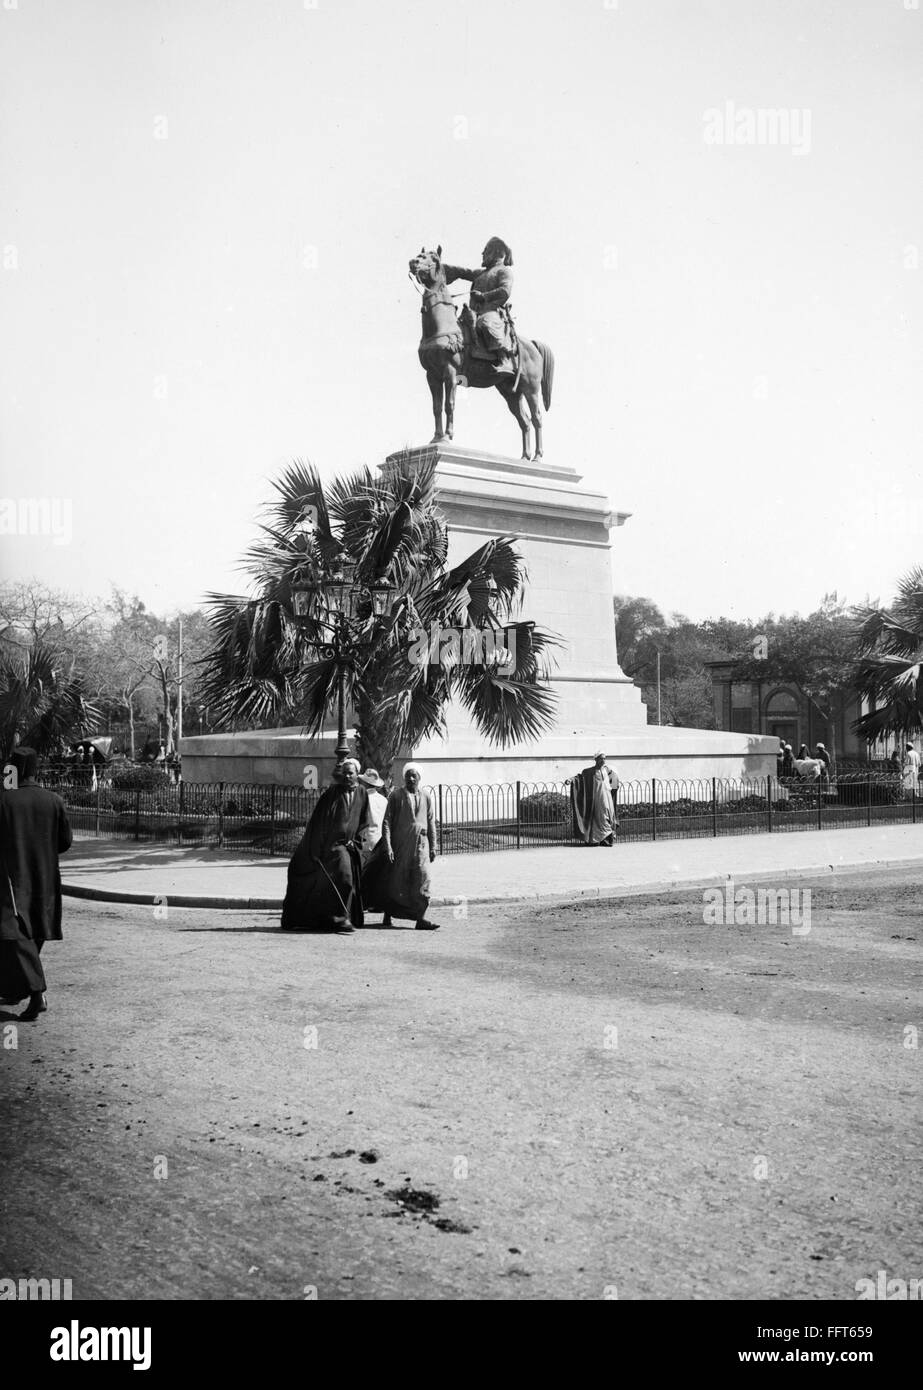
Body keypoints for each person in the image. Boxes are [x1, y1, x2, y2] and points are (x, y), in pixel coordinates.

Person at [0, 747, 73, 1022]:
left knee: (17, 937)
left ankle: (36, 993)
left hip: (12, 881)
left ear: (13, 771)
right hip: (45, 879)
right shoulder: (54, 800)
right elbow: (65, 842)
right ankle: (18, 988)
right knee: (32, 935)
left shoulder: (4, 801)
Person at [281, 758, 372, 934]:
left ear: (357, 775)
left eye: (350, 772)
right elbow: (318, 822)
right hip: (332, 846)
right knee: (344, 877)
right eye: (344, 772)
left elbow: (365, 821)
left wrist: (358, 840)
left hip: (351, 846)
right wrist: (318, 848)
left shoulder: (362, 793)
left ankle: (341, 917)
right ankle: (340, 918)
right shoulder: (332, 793)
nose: (347, 776)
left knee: (347, 882)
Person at [362, 763, 440, 930]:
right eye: (408, 775)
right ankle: (388, 914)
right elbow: (387, 822)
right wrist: (389, 846)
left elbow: (431, 821)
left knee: (423, 879)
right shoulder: (396, 796)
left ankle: (421, 918)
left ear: (419, 778)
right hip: (400, 846)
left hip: (421, 846)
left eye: (414, 775)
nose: (411, 778)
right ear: (404, 777)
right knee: (396, 881)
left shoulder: (426, 796)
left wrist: (433, 846)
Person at [443, 237, 516, 374]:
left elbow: (505, 291)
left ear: (496, 252)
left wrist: (484, 297)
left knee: (486, 322)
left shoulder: (503, 271)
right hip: (473, 313)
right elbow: (463, 272)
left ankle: (504, 358)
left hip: (491, 311)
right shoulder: (481, 273)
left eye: (486, 251)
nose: (482, 254)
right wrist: (441, 268)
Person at [571, 752, 619, 846]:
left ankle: (605, 840)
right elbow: (580, 778)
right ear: (596, 759)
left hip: (607, 797)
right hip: (596, 798)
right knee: (600, 817)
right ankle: (596, 840)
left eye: (604, 758)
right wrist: (571, 780)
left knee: (608, 816)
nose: (603, 760)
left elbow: (614, 781)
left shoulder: (608, 770)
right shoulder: (589, 771)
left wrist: (615, 782)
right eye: (601, 758)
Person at [358, 768, 388, 855]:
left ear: (364, 783)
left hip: (364, 842)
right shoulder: (383, 800)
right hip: (379, 841)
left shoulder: (361, 799)